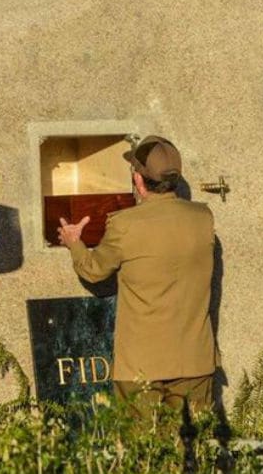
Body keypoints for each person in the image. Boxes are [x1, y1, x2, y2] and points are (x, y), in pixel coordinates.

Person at [57, 135, 216, 419]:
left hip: (142, 367)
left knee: (143, 454)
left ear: (138, 181)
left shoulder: (125, 224)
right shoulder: (204, 218)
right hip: (195, 360)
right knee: (193, 453)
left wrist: (74, 243)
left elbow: (93, 270)